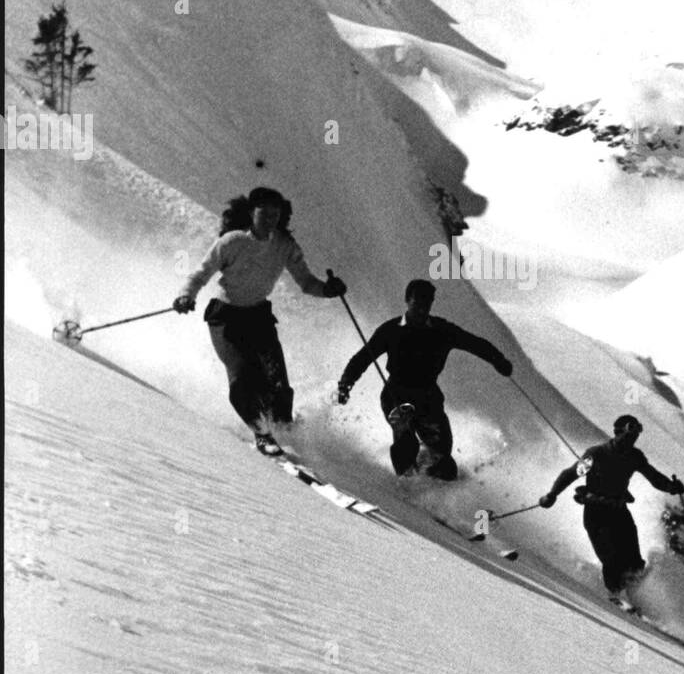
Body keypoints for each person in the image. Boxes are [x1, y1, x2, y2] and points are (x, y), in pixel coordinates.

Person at [173, 187, 346, 455]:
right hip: (226, 318)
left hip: (258, 318)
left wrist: (328, 290)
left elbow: (306, 282)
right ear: (251, 214)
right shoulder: (232, 242)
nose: (269, 222)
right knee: (243, 377)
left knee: (278, 384)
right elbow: (200, 273)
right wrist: (186, 296)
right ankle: (262, 433)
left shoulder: (285, 246)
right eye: (264, 215)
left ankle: (286, 432)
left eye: (274, 216)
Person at [336, 279, 513, 479]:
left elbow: (474, 343)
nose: (421, 310)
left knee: (443, 455)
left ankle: (431, 481)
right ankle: (405, 483)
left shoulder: (441, 330)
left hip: (428, 396)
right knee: (406, 439)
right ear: (407, 301)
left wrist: (499, 361)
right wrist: (346, 383)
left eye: (426, 304)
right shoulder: (391, 330)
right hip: (397, 394)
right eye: (416, 304)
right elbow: (363, 358)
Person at [539, 415, 684, 602]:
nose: (633, 438)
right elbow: (570, 474)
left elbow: (654, 477)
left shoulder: (635, 457)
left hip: (619, 512)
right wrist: (552, 494)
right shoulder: (597, 454)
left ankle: (636, 600)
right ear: (618, 432)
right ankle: (615, 598)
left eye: (636, 433)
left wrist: (671, 487)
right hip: (596, 513)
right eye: (630, 432)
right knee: (611, 559)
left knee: (634, 561)